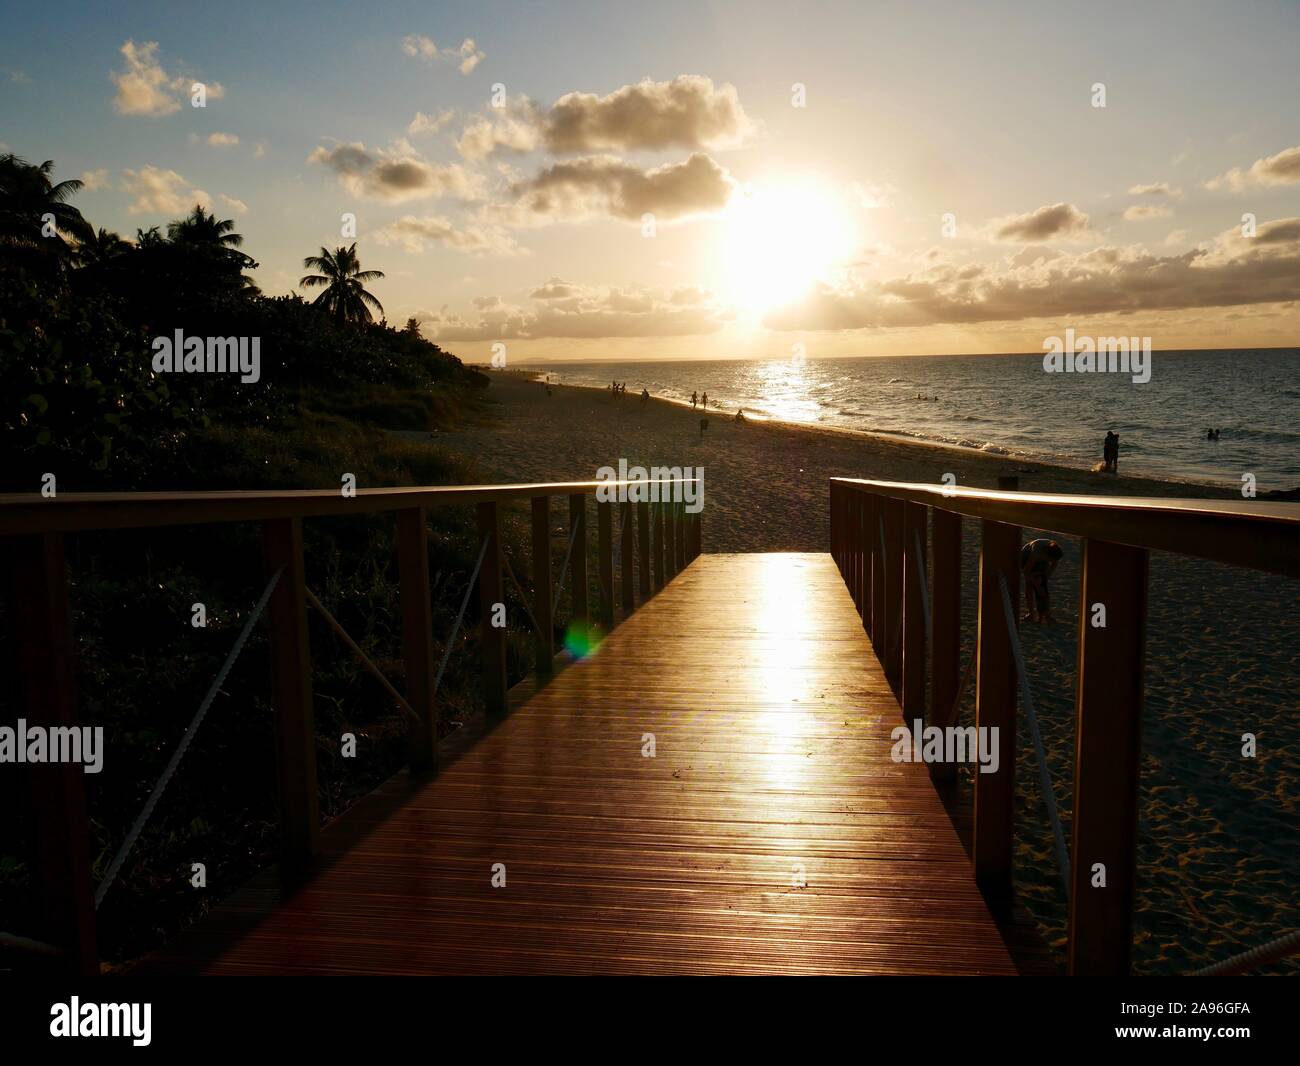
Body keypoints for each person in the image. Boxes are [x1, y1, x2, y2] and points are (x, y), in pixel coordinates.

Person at [1020, 538, 1064, 624]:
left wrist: (1043, 579)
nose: (1053, 561)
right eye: (1051, 559)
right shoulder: (1036, 552)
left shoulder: (1055, 554)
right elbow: (1026, 571)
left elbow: (1052, 568)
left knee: (1043, 586)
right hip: (1026, 557)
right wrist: (1032, 580)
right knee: (1029, 586)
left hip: (1043, 559)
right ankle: (1031, 614)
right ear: (1046, 556)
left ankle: (1047, 615)